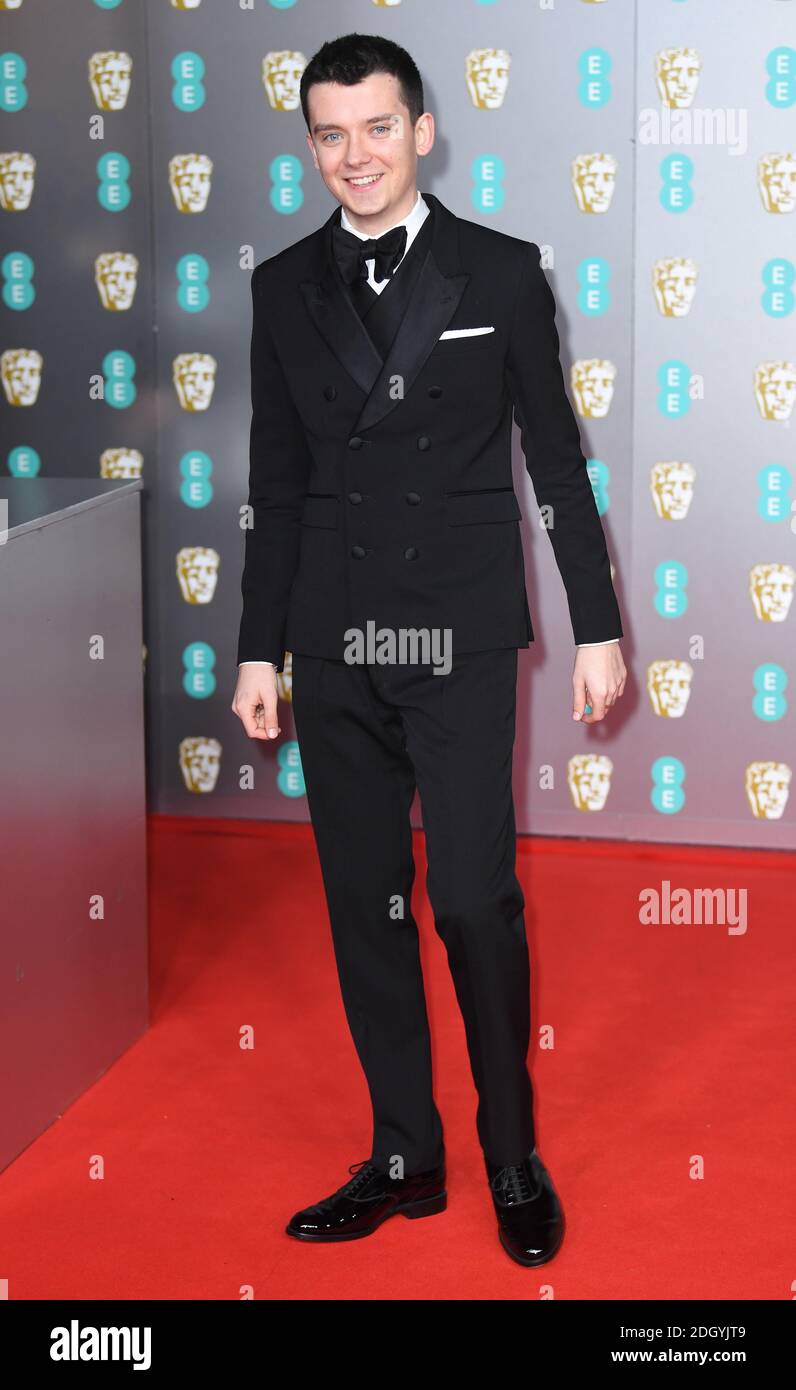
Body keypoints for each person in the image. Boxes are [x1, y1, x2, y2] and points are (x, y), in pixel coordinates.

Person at [231, 32, 627, 1267]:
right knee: (366, 903)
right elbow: (276, 479)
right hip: (332, 644)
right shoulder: (281, 286)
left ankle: (510, 1149)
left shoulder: (501, 274)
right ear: (312, 145)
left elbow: (553, 465)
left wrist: (598, 624)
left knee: (467, 894)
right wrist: (258, 652)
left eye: (378, 127)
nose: (355, 154)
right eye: (330, 133)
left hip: (457, 638)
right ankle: (404, 1152)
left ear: (424, 130)